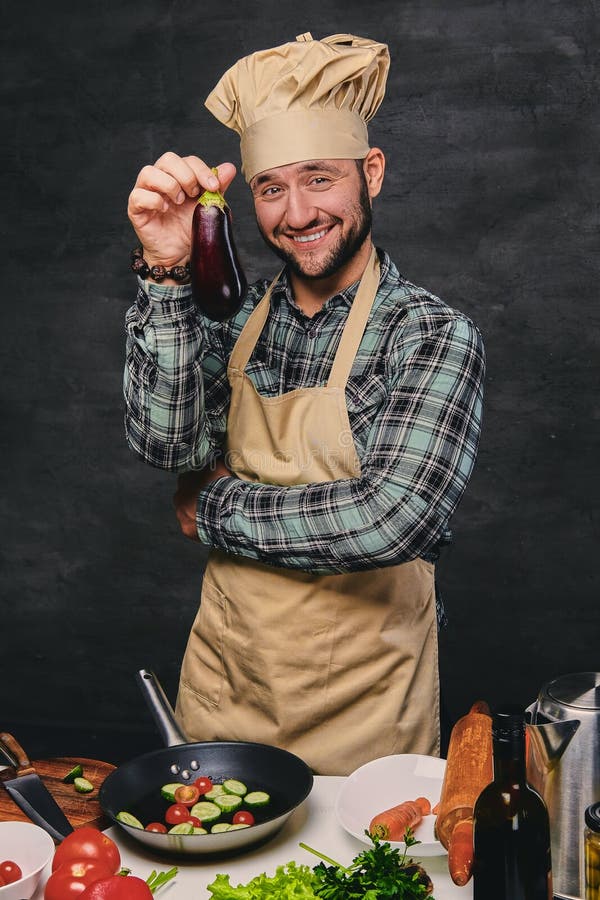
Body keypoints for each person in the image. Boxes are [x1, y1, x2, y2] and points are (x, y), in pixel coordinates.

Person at [124, 32, 485, 775]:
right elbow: (166, 447)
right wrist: (165, 272)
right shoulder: (231, 317)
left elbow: (391, 519)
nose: (296, 213)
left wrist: (218, 508)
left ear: (371, 173)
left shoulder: (428, 333)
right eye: (270, 187)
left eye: (319, 178)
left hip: (367, 722)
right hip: (226, 700)